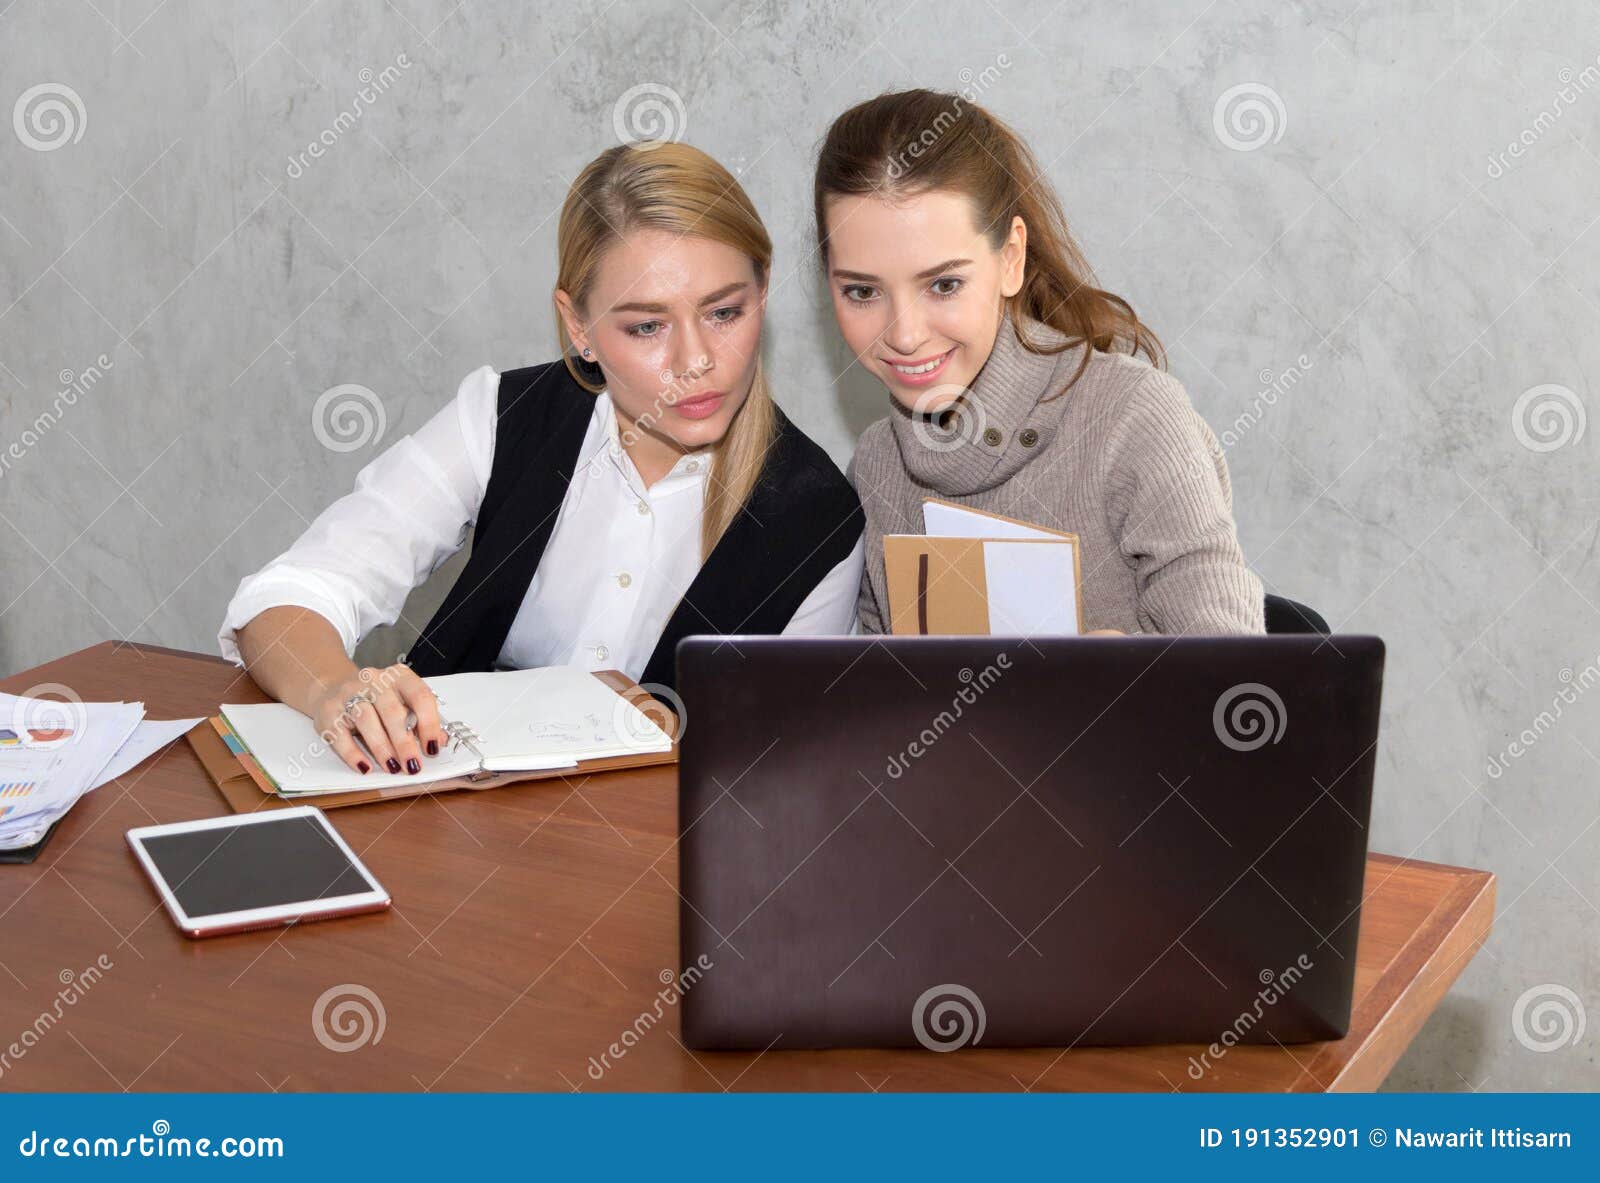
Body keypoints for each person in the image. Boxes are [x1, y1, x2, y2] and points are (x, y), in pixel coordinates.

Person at [221, 142, 864, 776]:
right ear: (578, 326)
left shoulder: (818, 521)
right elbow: (290, 594)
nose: (695, 361)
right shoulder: (502, 418)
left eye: (724, 312)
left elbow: (784, 778)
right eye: (647, 326)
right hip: (433, 820)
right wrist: (334, 689)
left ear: (764, 291)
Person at [813, 89, 1265, 636]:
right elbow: (878, 681)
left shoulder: (1133, 418)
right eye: (862, 292)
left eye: (944, 284)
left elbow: (1230, 669)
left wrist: (1129, 676)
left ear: (1011, 259)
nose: (905, 336)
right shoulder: (877, 466)